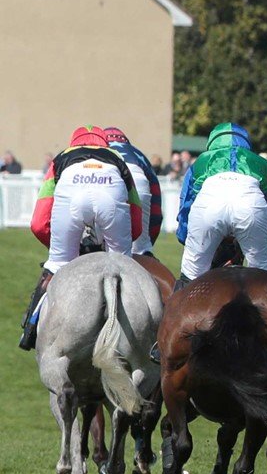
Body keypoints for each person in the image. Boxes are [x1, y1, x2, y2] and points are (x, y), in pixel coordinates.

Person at [19, 128, 143, 349]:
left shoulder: (61, 159)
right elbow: (135, 223)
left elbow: (38, 223)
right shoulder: (117, 158)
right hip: (111, 195)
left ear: (74, 142)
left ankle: (30, 329)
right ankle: (145, 337)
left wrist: (62, 247)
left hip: (71, 194)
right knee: (124, 266)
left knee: (56, 264)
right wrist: (114, 245)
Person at [176, 123, 267, 282]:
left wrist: (186, 238)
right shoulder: (263, 164)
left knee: (190, 274)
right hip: (250, 207)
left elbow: (186, 206)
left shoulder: (200, 162)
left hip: (208, 207)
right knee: (264, 278)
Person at [100, 128, 164, 266]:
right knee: (141, 250)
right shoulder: (138, 154)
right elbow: (156, 210)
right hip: (139, 179)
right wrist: (147, 244)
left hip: (105, 180)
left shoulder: (99, 149)